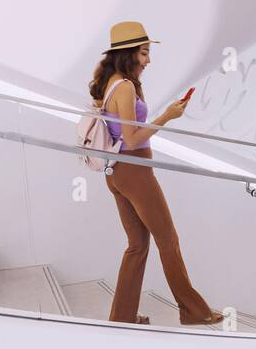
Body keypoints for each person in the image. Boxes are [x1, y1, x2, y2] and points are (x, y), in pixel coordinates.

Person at [92, 22, 222, 326]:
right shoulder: (123, 87)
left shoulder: (113, 82)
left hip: (119, 174)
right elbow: (133, 138)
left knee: (137, 246)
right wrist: (168, 116)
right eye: (144, 53)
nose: (149, 59)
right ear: (129, 54)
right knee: (169, 240)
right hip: (134, 171)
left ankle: (122, 317)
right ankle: (193, 311)